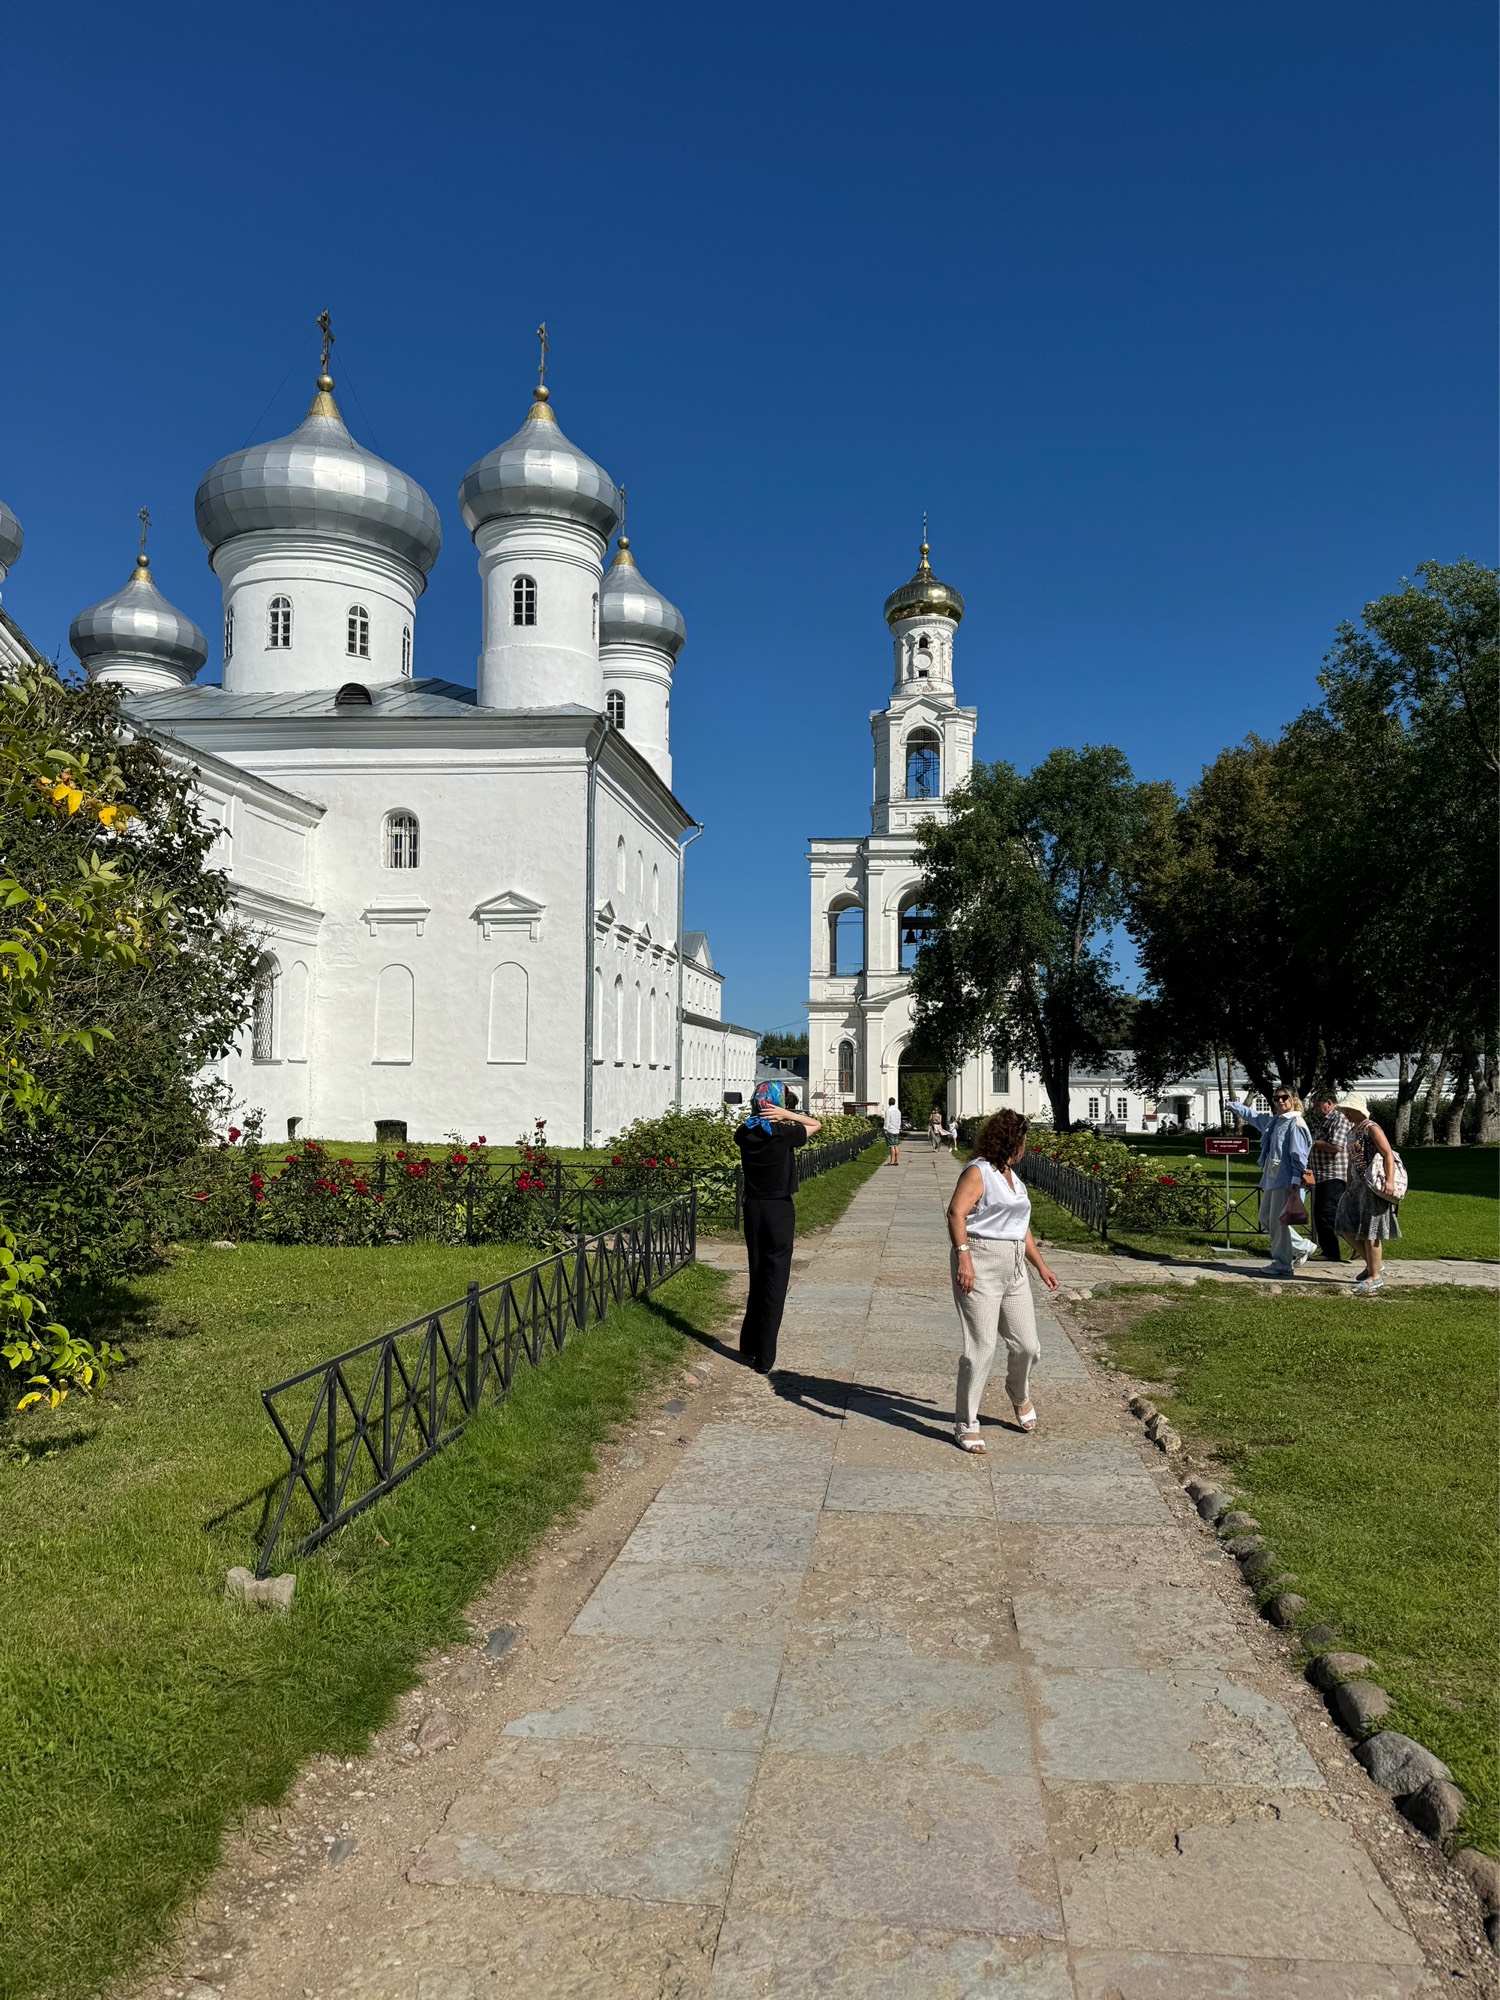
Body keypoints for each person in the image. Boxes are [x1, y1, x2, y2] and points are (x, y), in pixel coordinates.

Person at [945, 1108, 1059, 1453]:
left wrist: (1040, 1266)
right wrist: (964, 1257)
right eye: (1023, 1140)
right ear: (1013, 1141)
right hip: (979, 1262)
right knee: (981, 1349)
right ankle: (967, 1422)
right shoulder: (978, 1172)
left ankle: (1018, 1392)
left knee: (1028, 1346)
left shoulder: (1013, 1177)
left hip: (1014, 1267)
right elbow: (955, 1213)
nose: (1025, 1146)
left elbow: (1019, 1227)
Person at [734, 1083, 822, 1373]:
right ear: (776, 1103)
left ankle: (748, 1344)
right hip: (779, 1210)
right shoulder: (784, 1134)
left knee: (757, 1274)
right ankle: (765, 1356)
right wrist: (787, 1114)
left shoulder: (744, 1133)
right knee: (775, 1281)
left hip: (753, 1207)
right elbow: (815, 1124)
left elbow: (749, 1125)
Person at [1226, 1087, 1314, 1277]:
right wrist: (1236, 1107)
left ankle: (1282, 1263)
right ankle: (1303, 1246)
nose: (1280, 1101)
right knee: (1266, 1218)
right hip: (1273, 1178)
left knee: (1277, 1222)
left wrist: (1295, 1181)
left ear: (1293, 1099)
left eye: (1284, 1097)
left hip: (1286, 1180)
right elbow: (1257, 1118)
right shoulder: (1276, 1121)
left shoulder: (1295, 1123)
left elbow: (1299, 1155)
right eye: (1276, 1098)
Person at [1334, 1092, 1401, 1295]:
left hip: (1373, 1185)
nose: (1345, 1113)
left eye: (1348, 1110)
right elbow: (1351, 1161)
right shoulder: (1353, 1131)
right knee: (1344, 1226)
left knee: (1371, 1232)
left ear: (1357, 1109)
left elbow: (1387, 1153)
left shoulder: (1372, 1128)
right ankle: (1373, 1265)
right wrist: (1348, 1184)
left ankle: (1375, 1277)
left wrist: (1389, 1181)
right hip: (1357, 1185)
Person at [1302, 1086, 1352, 1262]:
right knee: (1320, 1213)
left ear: (1329, 1103)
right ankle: (1330, 1250)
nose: (1315, 1109)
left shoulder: (1339, 1119)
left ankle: (1338, 1250)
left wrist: (1313, 1143)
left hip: (1334, 1174)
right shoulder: (1326, 1119)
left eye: (1317, 1105)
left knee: (1328, 1213)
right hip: (1321, 1174)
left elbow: (1336, 1147)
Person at [883, 1097, 902, 1164]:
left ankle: (892, 1161)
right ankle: (896, 1160)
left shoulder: (888, 1110)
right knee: (896, 1145)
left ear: (889, 1102)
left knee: (891, 1146)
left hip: (890, 1129)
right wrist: (898, 1127)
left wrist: (885, 1128)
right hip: (896, 1130)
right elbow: (899, 1121)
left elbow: (887, 1120)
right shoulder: (898, 1111)